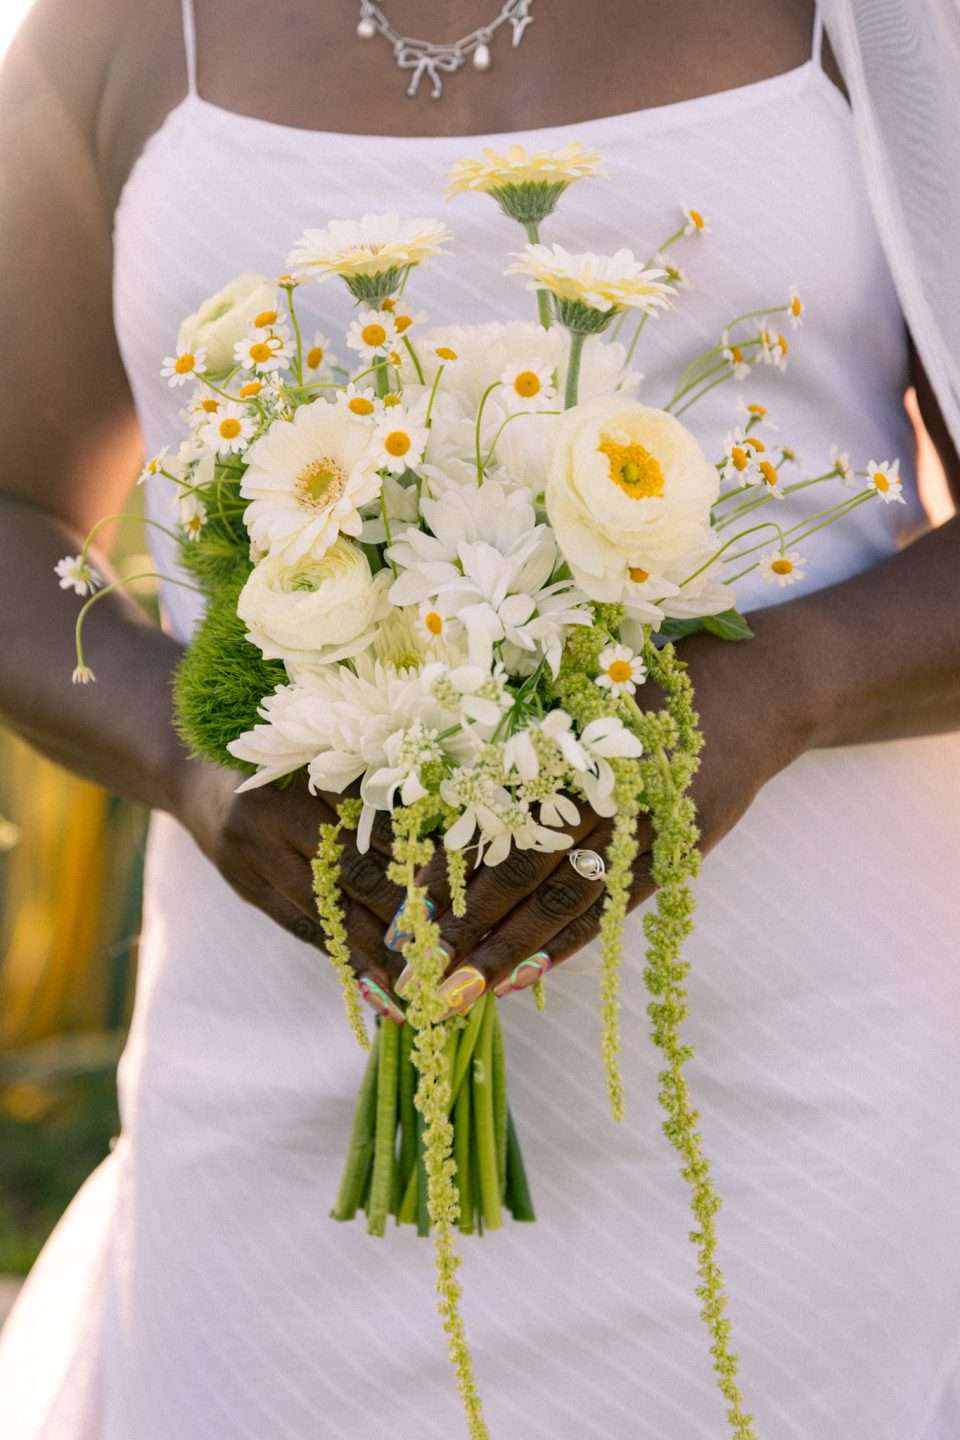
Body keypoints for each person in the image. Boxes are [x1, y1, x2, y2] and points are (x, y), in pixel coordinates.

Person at [1, 1, 959, 1435]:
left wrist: (782, 686)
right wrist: (189, 757)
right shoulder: (121, 30)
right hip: (273, 1106)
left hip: (807, 1119)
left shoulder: (877, 21)